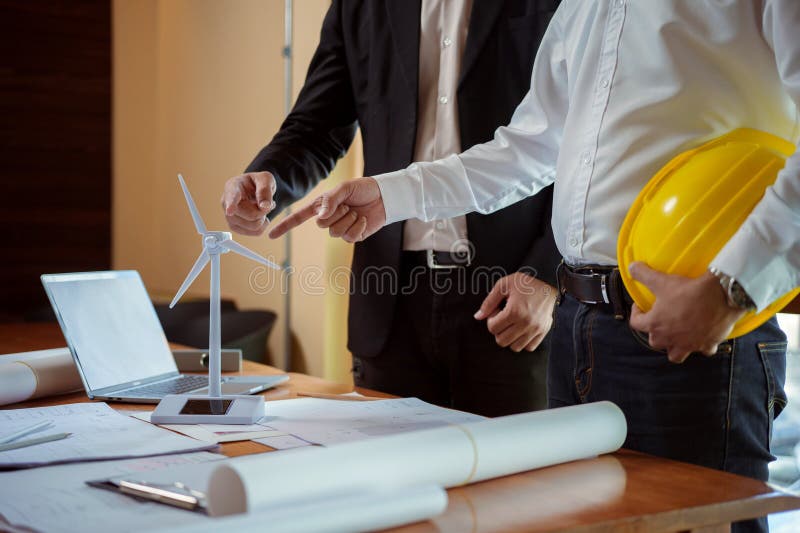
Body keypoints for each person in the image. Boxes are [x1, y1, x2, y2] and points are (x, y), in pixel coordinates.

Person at [269, 2, 800, 531]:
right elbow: (529, 148)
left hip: (693, 332)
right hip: (578, 334)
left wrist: (733, 286)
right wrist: (393, 194)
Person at [221, 1, 562, 417]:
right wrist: (268, 176)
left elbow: (572, 139)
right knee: (387, 477)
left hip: (513, 299)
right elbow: (317, 124)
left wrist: (548, 273)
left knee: (518, 480)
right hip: (388, 304)